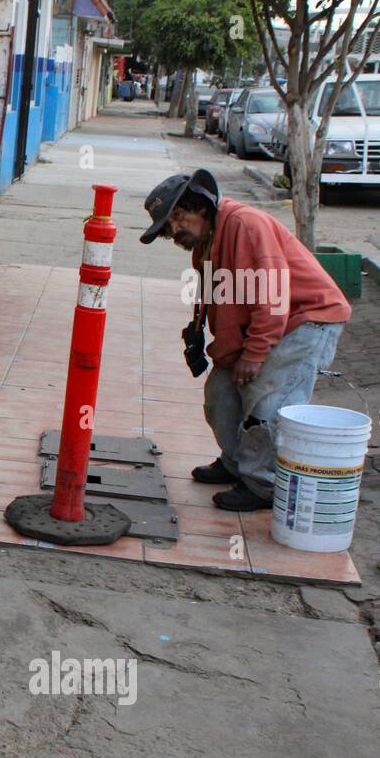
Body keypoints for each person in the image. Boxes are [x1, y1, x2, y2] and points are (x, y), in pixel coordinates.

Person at [140, 168, 351, 512]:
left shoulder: (246, 225)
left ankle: (262, 484)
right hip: (271, 324)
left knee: (265, 404)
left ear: (203, 207)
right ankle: (236, 462)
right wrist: (224, 353)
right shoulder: (206, 244)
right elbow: (226, 306)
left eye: (180, 216)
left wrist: (254, 353)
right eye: (169, 224)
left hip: (307, 320)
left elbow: (271, 298)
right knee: (220, 393)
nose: (175, 229)